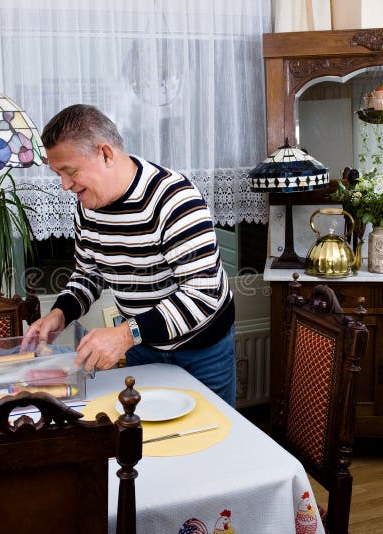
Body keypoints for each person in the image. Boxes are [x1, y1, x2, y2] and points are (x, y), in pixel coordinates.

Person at [26, 104, 236, 405]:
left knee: (213, 438)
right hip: (143, 342)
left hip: (202, 349)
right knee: (146, 438)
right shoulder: (87, 208)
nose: (64, 185)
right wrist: (60, 314)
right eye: (58, 174)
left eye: (69, 172)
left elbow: (202, 295)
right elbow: (88, 274)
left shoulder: (173, 198)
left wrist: (125, 335)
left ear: (106, 154)